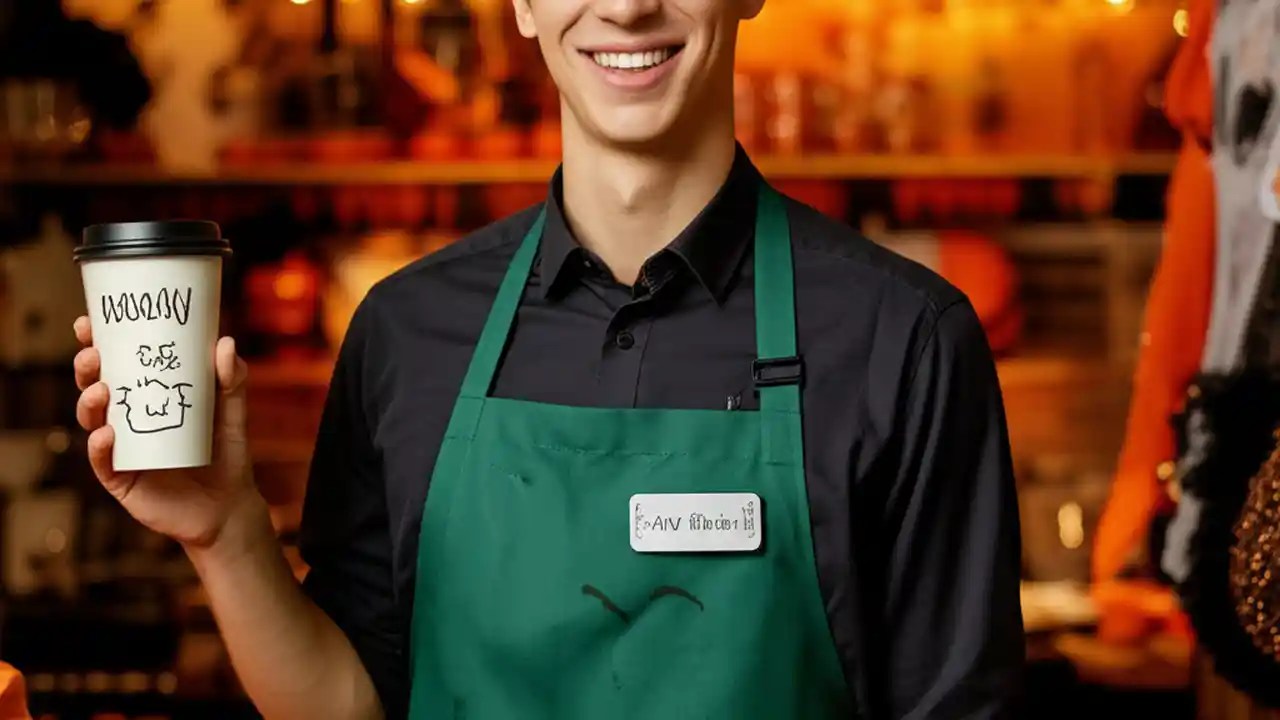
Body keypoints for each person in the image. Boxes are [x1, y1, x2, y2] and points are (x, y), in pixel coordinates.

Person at [73, 1, 1024, 718]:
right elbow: (350, 703)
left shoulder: (905, 341)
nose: (624, 7)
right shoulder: (405, 334)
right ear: (521, 3)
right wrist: (226, 533)